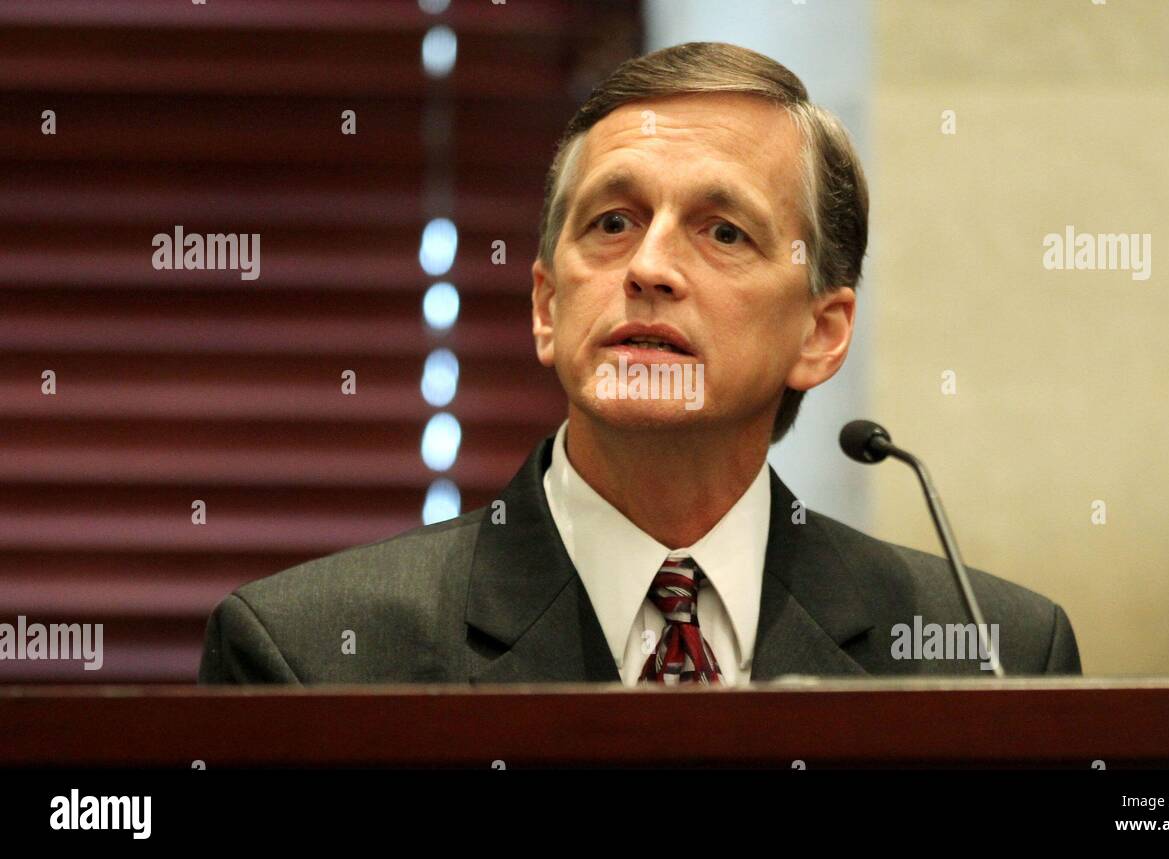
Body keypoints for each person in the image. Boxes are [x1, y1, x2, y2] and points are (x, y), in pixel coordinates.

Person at [199, 42, 1081, 686]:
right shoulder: (310, 657)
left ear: (821, 332)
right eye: (612, 222)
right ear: (547, 306)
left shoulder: (988, 650)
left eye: (723, 231)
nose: (650, 267)